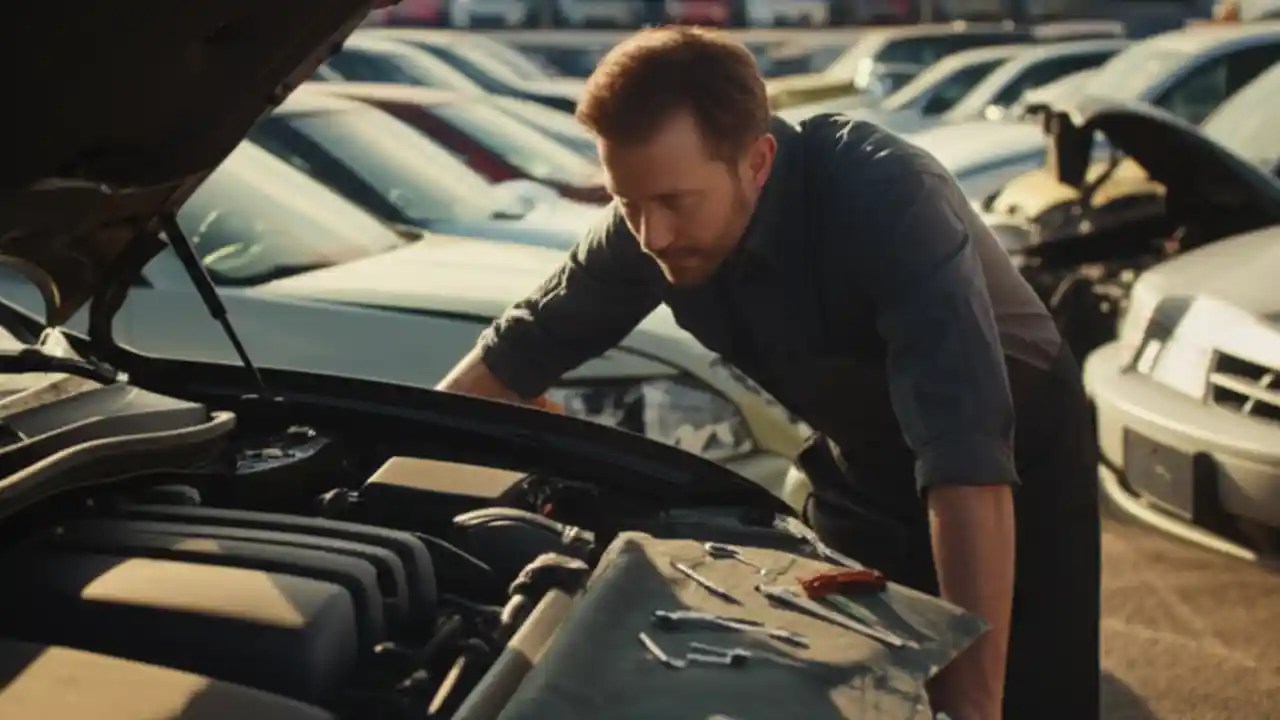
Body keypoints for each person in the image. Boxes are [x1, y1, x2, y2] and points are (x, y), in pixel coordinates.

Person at [436, 25, 1100, 720]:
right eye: (628, 204)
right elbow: (511, 357)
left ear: (757, 162)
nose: (651, 236)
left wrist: (971, 705)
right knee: (846, 688)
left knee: (1021, 698)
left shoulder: (889, 196)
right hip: (863, 460)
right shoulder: (648, 217)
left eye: (673, 203)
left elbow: (967, 457)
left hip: (1012, 454)